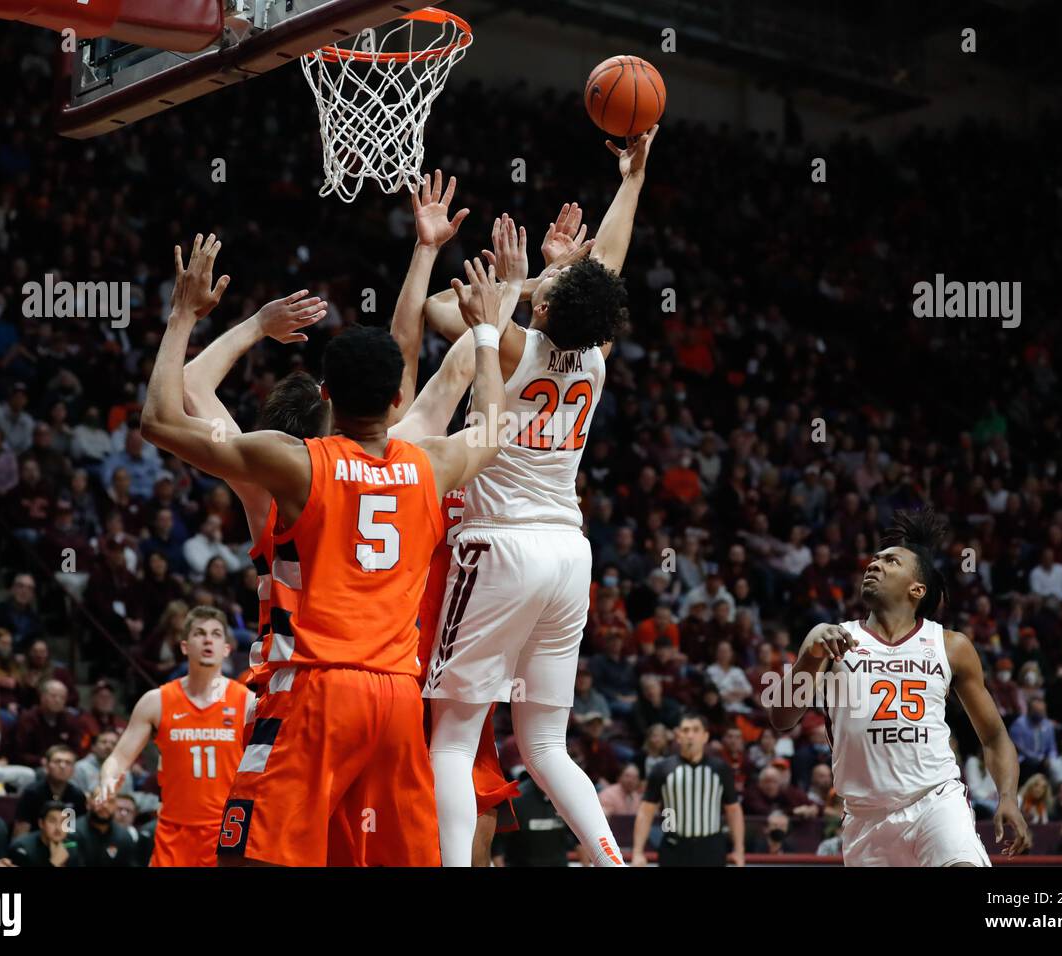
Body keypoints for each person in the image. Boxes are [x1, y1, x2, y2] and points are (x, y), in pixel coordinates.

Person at [138, 228, 509, 867]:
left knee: (249, 856)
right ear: (394, 402)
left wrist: (187, 316)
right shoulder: (426, 461)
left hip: (310, 691)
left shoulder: (285, 469)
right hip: (395, 695)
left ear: (328, 400)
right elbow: (484, 417)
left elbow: (161, 417)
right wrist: (491, 322)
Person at [419, 131, 658, 869]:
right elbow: (607, 266)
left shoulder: (512, 344)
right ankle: (615, 863)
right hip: (568, 552)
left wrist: (521, 283)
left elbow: (434, 309)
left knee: (455, 737)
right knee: (547, 744)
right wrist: (632, 181)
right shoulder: (595, 354)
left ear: (547, 307)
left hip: (502, 542)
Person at [770, 509, 1031, 866]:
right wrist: (810, 655)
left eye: (890, 561)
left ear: (916, 589)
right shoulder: (832, 640)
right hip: (865, 816)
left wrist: (1007, 797)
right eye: (874, 560)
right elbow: (782, 718)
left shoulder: (950, 645)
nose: (874, 565)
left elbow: (995, 737)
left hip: (935, 800)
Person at [93, 607, 249, 867]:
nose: (208, 640)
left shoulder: (246, 702)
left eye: (216, 634)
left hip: (226, 834)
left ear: (227, 649)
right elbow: (118, 758)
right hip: (173, 833)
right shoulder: (156, 701)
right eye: (200, 634)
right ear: (185, 646)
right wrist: (108, 779)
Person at [632, 712, 744, 866]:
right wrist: (637, 852)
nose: (690, 735)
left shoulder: (720, 769)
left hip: (711, 848)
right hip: (674, 847)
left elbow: (733, 810)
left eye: (696, 730)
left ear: (705, 736)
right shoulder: (662, 769)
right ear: (678, 736)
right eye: (685, 730)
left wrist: (739, 850)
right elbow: (646, 811)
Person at [11, 744, 88, 838]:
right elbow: (21, 830)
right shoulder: (32, 793)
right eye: (57, 761)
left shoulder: (77, 795)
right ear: (46, 766)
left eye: (68, 763)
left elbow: (79, 832)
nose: (62, 766)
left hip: (67, 846)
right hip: (36, 845)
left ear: (73, 769)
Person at [5, 800, 80, 867]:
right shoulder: (22, 848)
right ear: (41, 823)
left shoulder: (72, 846)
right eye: (52, 821)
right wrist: (53, 863)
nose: (58, 828)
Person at [77, 793, 139, 867]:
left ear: (115, 807)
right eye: (99, 801)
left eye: (110, 801)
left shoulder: (124, 836)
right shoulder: (73, 832)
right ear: (88, 803)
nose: (105, 806)